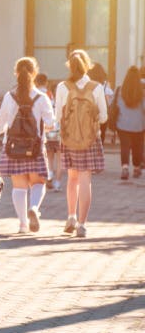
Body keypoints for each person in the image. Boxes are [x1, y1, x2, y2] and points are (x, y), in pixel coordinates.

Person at [0, 58, 55, 234]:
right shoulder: (41, 97)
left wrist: (2, 129)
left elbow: (0, 123)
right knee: (38, 182)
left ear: (16, 73)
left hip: (13, 148)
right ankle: (34, 208)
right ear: (34, 73)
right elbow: (51, 123)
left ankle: (22, 224)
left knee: (19, 186)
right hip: (35, 147)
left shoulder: (9, 96)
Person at [55, 50, 107, 238]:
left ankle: (71, 217)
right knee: (86, 180)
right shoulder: (96, 87)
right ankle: (82, 225)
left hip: (69, 139)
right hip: (90, 140)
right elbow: (104, 116)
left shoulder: (62, 87)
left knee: (72, 179)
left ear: (70, 65)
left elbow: (57, 117)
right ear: (87, 65)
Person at [112, 66, 145, 180]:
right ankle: (136, 168)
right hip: (139, 124)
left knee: (124, 146)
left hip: (122, 124)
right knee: (138, 146)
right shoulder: (142, 91)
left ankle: (125, 168)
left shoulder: (120, 90)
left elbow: (114, 105)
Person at [36, 74, 62, 192]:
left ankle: (49, 177)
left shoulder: (34, 94)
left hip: (44, 130)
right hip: (56, 129)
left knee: (49, 156)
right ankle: (57, 183)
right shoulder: (50, 95)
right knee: (59, 158)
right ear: (46, 82)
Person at [88, 63, 114, 143]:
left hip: (89, 113)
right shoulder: (105, 84)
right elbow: (109, 100)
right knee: (101, 138)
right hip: (102, 114)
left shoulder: (88, 84)